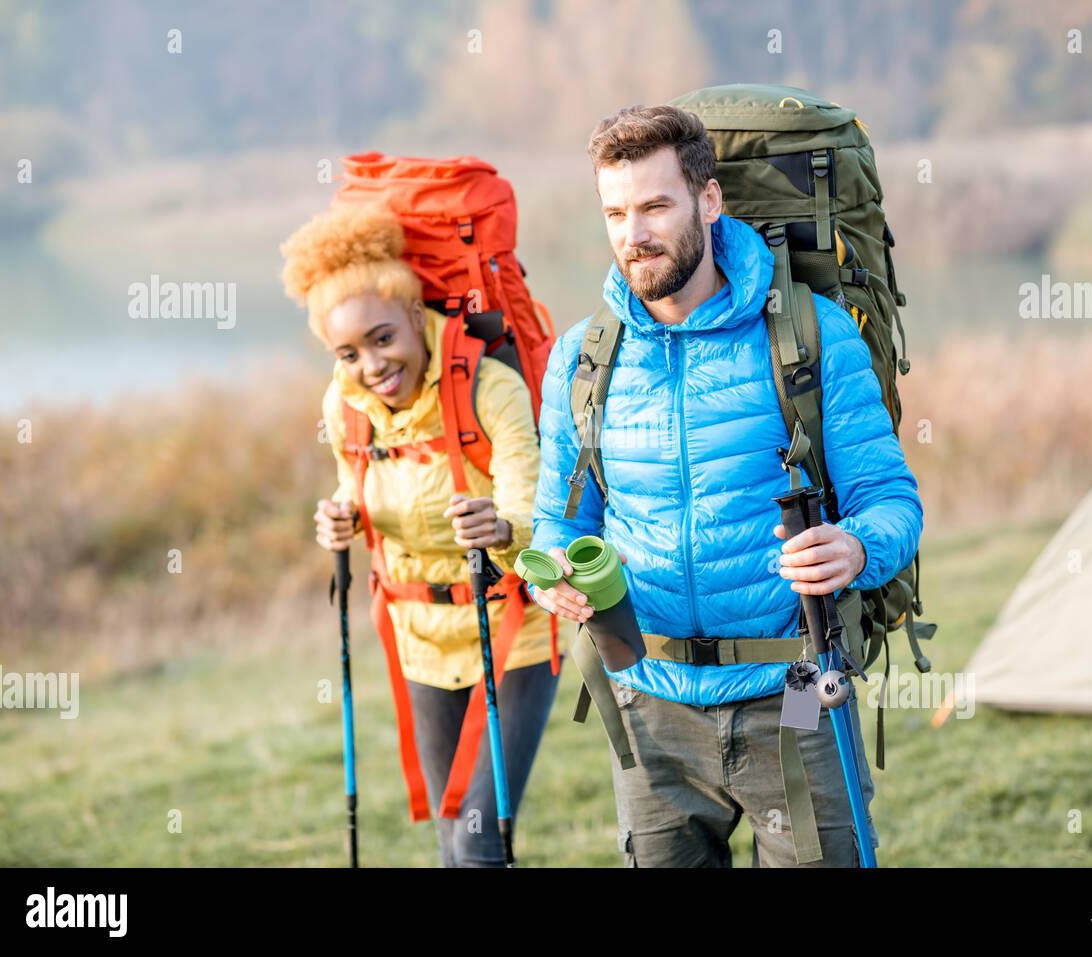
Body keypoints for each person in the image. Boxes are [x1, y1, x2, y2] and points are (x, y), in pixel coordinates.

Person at [527, 105, 923, 867]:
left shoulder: (811, 334)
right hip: (649, 702)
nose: (633, 233)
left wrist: (856, 546)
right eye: (615, 211)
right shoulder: (583, 357)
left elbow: (891, 500)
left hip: (797, 690)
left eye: (654, 205)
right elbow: (557, 522)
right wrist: (554, 578)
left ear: (710, 201)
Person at [281, 202, 563, 867]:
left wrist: (499, 525)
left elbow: (533, 515)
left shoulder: (490, 387)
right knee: (452, 838)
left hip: (512, 627)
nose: (370, 365)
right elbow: (358, 489)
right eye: (347, 352)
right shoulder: (344, 404)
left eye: (382, 338)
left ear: (415, 316)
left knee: (476, 839)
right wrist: (340, 518)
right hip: (419, 638)